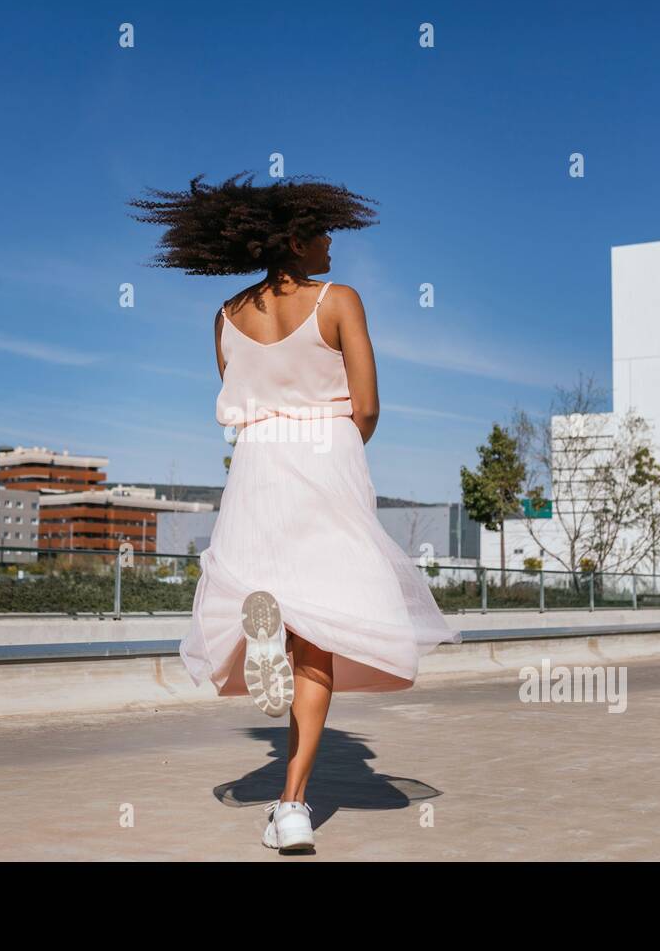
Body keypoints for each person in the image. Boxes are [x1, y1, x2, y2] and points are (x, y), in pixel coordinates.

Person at [128, 173, 460, 852]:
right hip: (324, 459)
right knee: (323, 636)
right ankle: (291, 806)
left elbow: (237, 392)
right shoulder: (339, 301)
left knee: (277, 595)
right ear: (296, 237)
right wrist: (335, 449)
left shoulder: (224, 315)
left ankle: (265, 637)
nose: (333, 241)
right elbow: (365, 407)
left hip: (256, 468)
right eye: (324, 230)